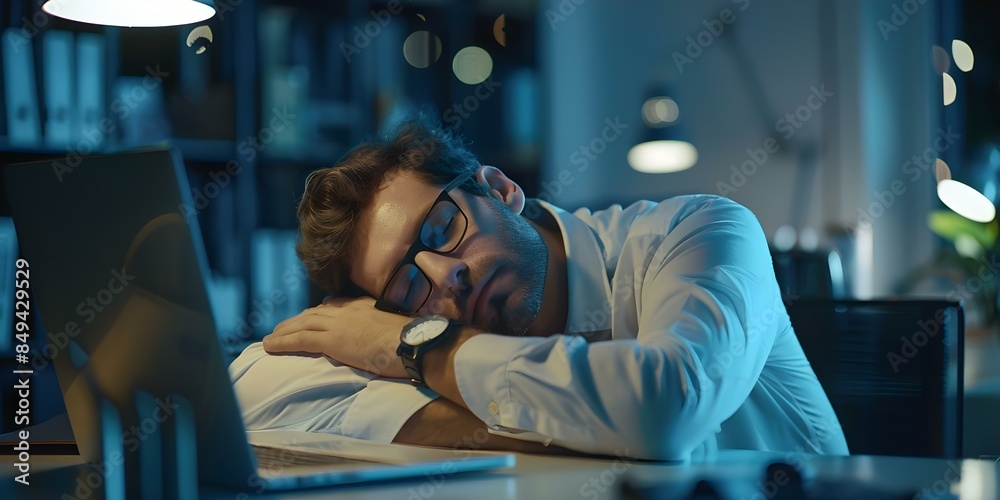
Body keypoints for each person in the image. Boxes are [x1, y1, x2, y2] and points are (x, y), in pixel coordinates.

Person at [229, 119, 849, 460]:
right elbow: (245, 390)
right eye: (408, 283)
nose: (447, 277)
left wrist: (420, 346)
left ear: (500, 190)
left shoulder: (697, 230)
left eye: (443, 228)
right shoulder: (409, 320)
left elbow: (664, 408)